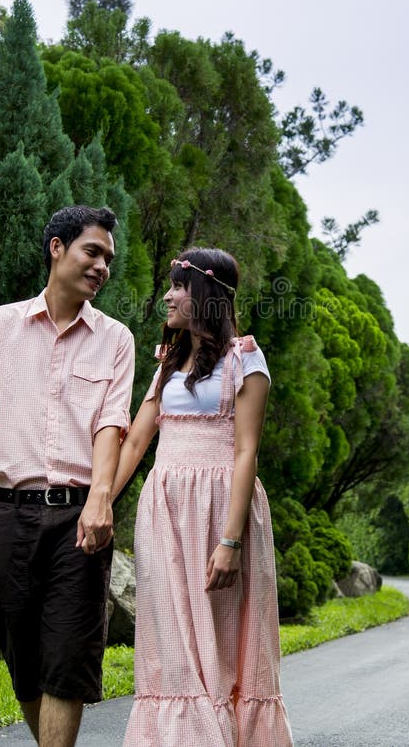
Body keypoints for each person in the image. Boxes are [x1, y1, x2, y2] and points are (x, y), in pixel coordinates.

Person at [0, 205, 135, 747]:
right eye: (91, 252)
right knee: (22, 656)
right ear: (57, 248)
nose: (102, 266)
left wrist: (101, 498)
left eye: (108, 259)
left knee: (68, 659)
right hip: (9, 512)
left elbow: (111, 424)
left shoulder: (116, 338)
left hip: (79, 517)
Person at [112, 247, 294, 746]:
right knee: (171, 643)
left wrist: (230, 541)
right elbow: (136, 439)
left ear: (206, 294)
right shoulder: (168, 361)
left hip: (221, 511)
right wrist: (100, 501)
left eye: (178, 287)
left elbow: (246, 452)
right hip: (165, 510)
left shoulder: (246, 359)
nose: (167, 296)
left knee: (220, 646)